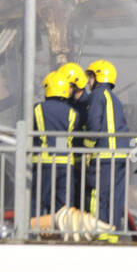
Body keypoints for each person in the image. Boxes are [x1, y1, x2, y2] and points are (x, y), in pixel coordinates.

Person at [82, 59, 130, 233]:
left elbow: (94, 125)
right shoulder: (114, 98)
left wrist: (86, 149)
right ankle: (111, 232)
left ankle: (97, 230)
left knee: (97, 193)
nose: (88, 81)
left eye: (91, 77)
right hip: (120, 155)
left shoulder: (97, 95)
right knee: (114, 197)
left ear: (99, 77)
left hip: (104, 156)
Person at [31, 71, 79, 218]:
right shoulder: (73, 113)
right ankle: (61, 236)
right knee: (63, 206)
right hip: (65, 165)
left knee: (38, 202)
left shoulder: (37, 109)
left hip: (42, 163)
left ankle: (33, 233)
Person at [54, 61, 90, 209]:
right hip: (67, 163)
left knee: (82, 202)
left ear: (75, 85)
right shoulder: (67, 104)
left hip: (84, 165)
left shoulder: (88, 106)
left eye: (66, 85)